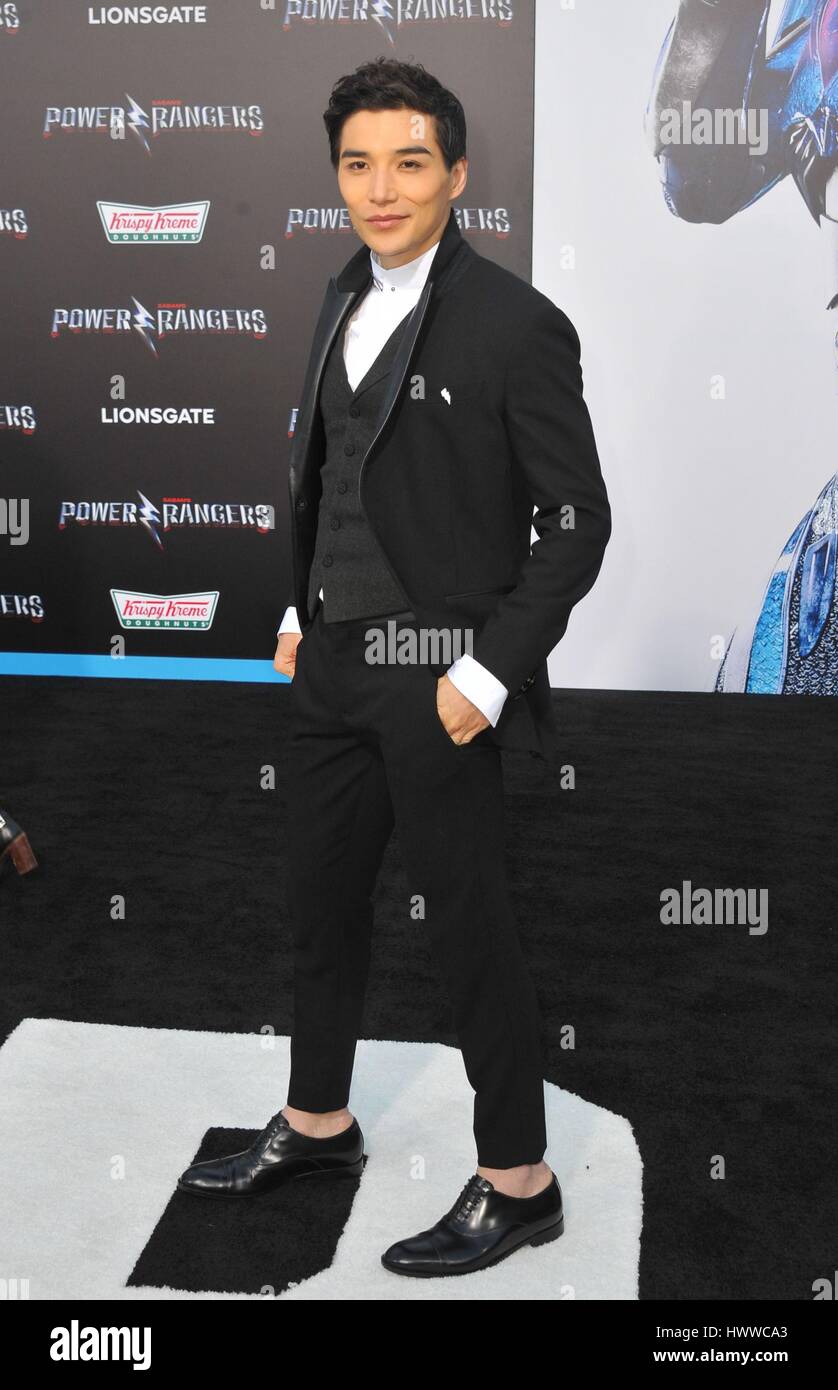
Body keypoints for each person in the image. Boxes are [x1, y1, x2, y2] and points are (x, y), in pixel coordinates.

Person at [179, 56, 611, 1278]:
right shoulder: (334, 296)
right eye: (359, 164)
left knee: (471, 926)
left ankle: (518, 1179)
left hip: (442, 676)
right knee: (319, 907)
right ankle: (319, 1121)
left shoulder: (519, 324)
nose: (382, 188)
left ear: (457, 175)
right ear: (338, 178)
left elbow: (576, 524)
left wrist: (482, 678)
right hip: (330, 668)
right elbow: (327, 469)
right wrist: (298, 608)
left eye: (409, 162)